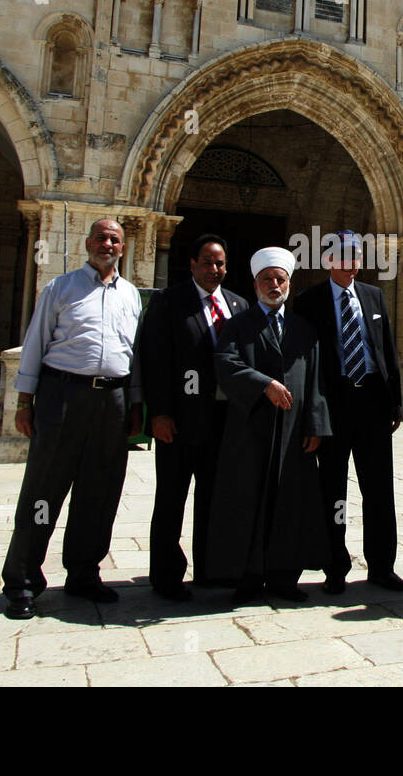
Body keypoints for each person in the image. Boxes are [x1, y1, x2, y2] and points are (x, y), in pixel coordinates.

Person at [1, 219, 143, 620]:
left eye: (115, 239)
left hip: (112, 399)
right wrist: (24, 401)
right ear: (88, 243)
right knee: (44, 489)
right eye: (101, 238)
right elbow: (35, 344)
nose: (108, 245)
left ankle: (84, 573)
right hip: (63, 395)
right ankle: (23, 582)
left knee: (100, 491)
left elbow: (133, 356)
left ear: (124, 246)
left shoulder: (131, 296)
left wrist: (134, 405)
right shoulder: (60, 288)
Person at [206, 247, 332, 606]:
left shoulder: (302, 328)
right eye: (267, 280)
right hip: (252, 431)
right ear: (255, 284)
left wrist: (315, 425)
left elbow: (315, 381)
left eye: (280, 279)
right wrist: (264, 384)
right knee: (249, 502)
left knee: (290, 504)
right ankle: (248, 576)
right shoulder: (239, 324)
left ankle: (283, 577)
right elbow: (225, 362)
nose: (274, 285)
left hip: (293, 433)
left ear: (288, 284)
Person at [293, 231, 403, 594]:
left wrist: (395, 401)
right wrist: (312, 412)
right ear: (327, 260)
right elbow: (305, 363)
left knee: (378, 489)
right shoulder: (309, 302)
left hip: (371, 401)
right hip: (334, 404)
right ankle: (335, 566)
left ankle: (382, 565)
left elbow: (387, 350)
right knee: (333, 490)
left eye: (355, 256)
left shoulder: (373, 295)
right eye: (342, 256)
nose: (350, 264)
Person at [138, 233, 248, 601]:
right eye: (207, 262)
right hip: (180, 421)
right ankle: (166, 575)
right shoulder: (170, 302)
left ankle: (211, 569)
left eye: (220, 263)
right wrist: (160, 413)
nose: (214, 269)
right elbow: (153, 360)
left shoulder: (238, 305)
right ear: (192, 264)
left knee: (214, 499)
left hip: (224, 421)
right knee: (171, 498)